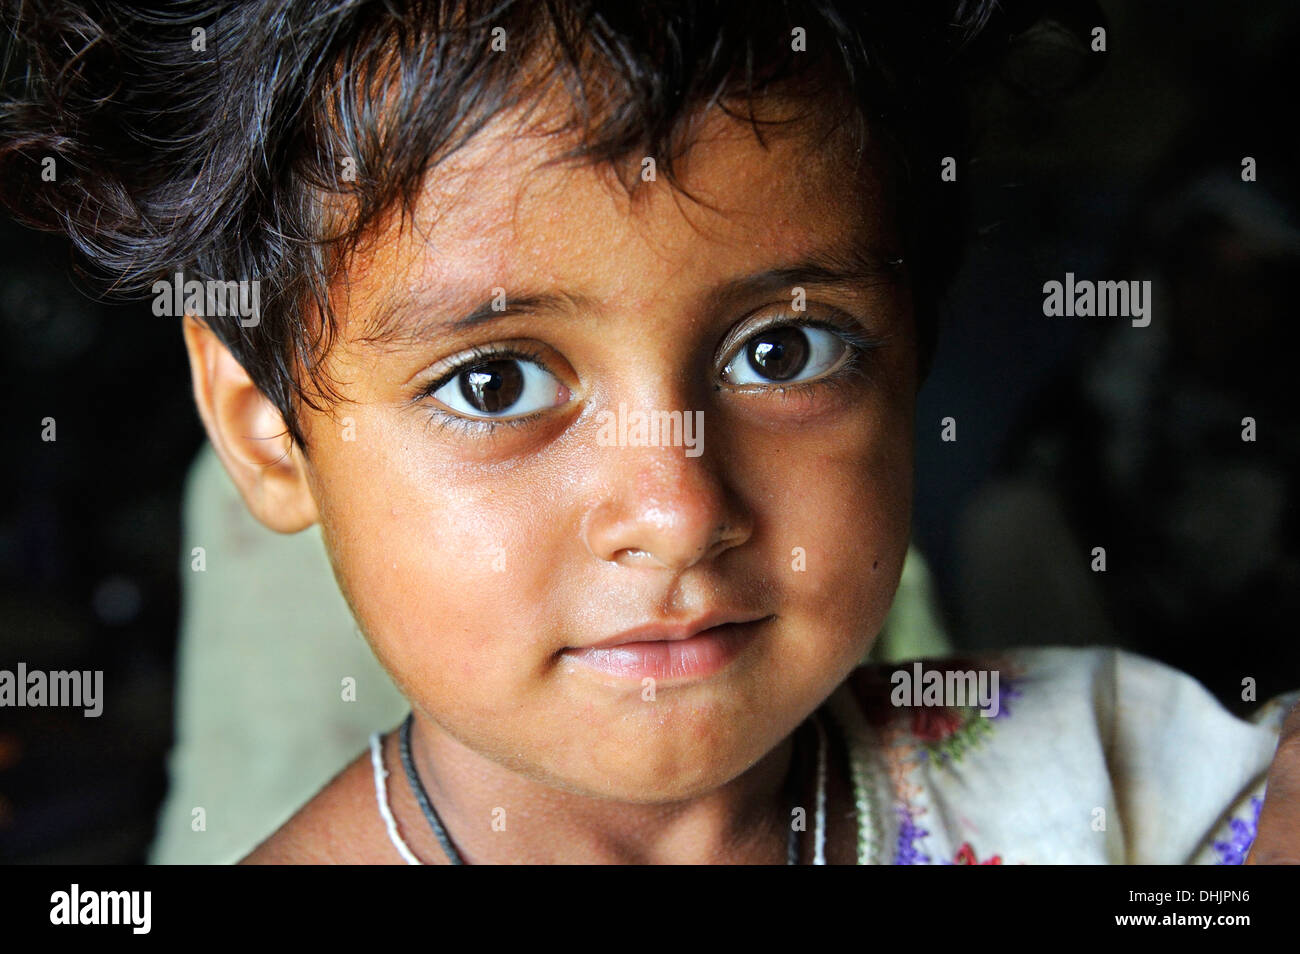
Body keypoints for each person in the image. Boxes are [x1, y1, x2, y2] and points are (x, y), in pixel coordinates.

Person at [2, 0, 1296, 865]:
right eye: (498, 381)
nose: (677, 508)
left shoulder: (1118, 772)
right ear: (268, 433)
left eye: (783, 350)